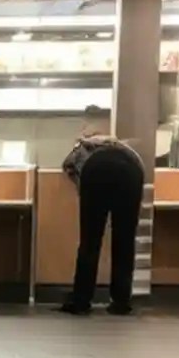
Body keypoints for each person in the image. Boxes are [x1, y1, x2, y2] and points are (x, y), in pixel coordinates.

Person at [59, 117, 146, 316]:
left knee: (90, 240)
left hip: (96, 171)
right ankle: (121, 302)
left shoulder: (81, 147)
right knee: (124, 240)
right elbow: (140, 169)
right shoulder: (125, 148)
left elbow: (68, 166)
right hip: (131, 171)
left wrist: (83, 188)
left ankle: (81, 301)